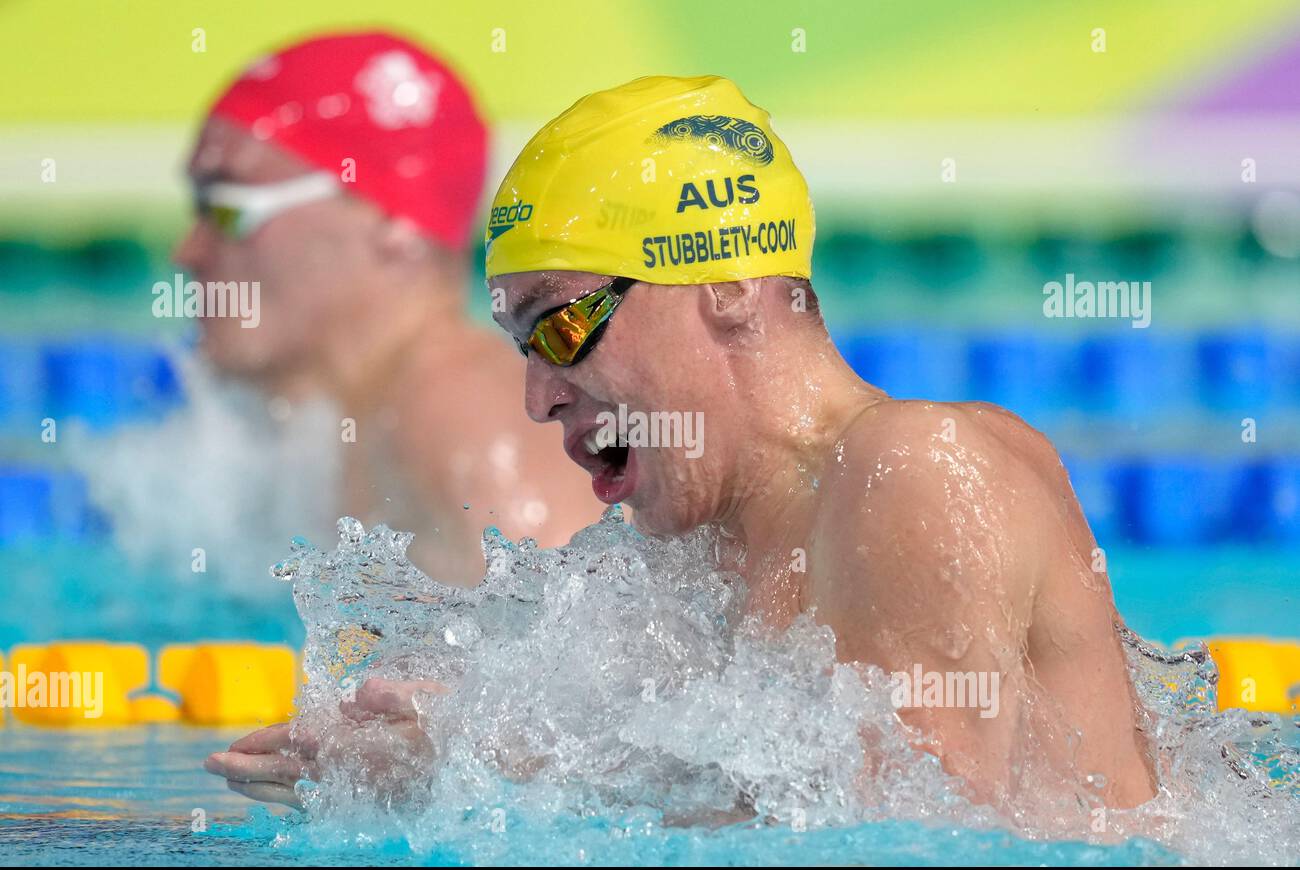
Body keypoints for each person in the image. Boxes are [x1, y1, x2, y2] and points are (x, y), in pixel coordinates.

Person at [207, 75, 1156, 817]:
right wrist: (451, 736)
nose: (537, 395)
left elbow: (911, 838)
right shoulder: (699, 550)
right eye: (519, 347)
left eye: (561, 325)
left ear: (730, 283)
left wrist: (482, 773)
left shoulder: (915, 468)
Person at [174, 32, 602, 584]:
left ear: (391, 222)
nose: (187, 251)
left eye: (227, 210)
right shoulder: (358, 419)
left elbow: (575, 648)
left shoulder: (466, 424)